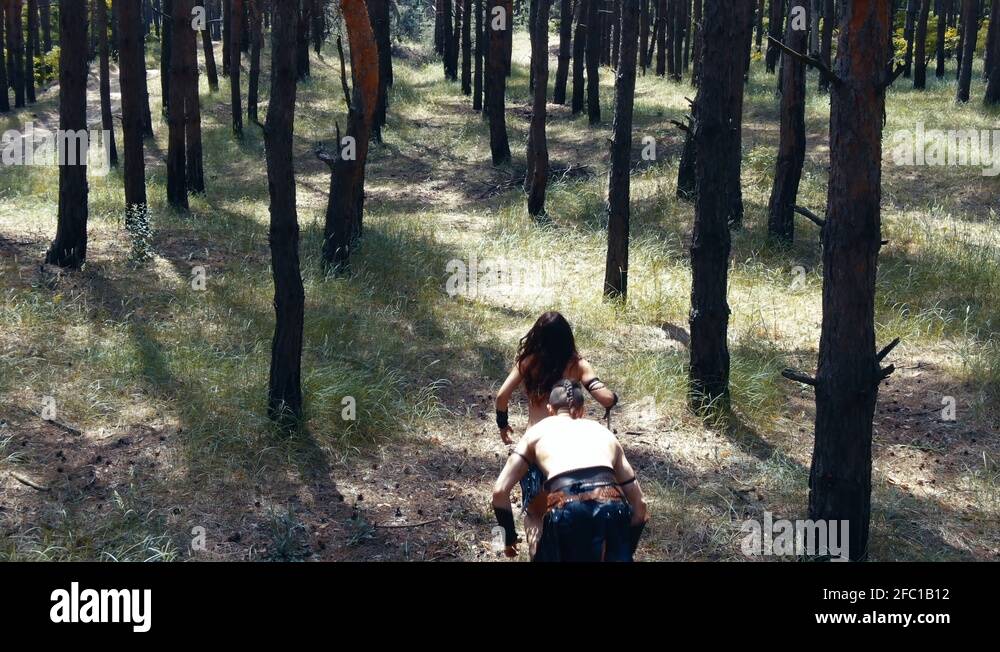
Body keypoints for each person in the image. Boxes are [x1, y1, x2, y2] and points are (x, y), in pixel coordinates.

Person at [494, 312, 620, 551]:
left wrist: (503, 424)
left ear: (538, 336)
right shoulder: (578, 364)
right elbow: (604, 397)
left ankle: (532, 552)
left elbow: (502, 396)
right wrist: (613, 399)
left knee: (535, 514)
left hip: (535, 449)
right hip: (570, 450)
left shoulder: (529, 362)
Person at [492, 380, 648, 561]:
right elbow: (640, 507)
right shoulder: (604, 433)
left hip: (566, 504)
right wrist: (624, 548)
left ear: (550, 409)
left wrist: (508, 539)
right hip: (612, 503)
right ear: (583, 410)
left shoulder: (537, 431)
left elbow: (499, 492)